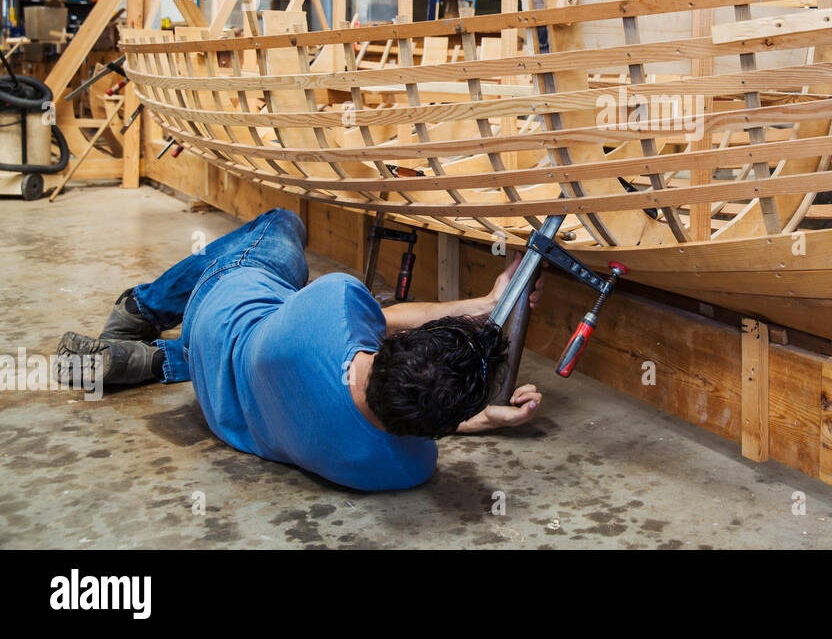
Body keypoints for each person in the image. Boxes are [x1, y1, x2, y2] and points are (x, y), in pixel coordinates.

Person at [56, 208, 543, 491]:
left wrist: (487, 302)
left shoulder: (335, 306)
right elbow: (420, 424)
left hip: (222, 305)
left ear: (389, 348)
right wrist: (484, 416)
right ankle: (162, 361)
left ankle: (141, 309)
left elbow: (390, 318)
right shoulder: (401, 469)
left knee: (282, 225)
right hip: (222, 403)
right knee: (266, 336)